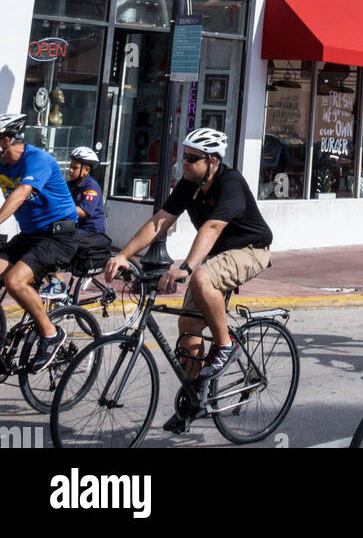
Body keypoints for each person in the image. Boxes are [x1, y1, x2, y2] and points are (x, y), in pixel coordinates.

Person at [105, 126, 272, 435]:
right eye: (184, 157)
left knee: (201, 277)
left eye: (192, 158)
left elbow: (211, 228)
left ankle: (226, 343)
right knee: (189, 327)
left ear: (211, 161)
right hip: (219, 255)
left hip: (249, 250)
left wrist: (186, 266)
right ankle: (193, 400)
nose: (185, 163)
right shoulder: (190, 184)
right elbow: (160, 221)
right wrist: (124, 254)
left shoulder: (230, 182)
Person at [0, 113, 80, 371]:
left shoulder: (38, 159)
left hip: (58, 237)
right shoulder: (2, 164)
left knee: (14, 280)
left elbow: (22, 193)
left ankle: (50, 334)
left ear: (5, 140)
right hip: (30, 236)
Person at [67, 146, 106, 235]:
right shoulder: (70, 184)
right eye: (70, 166)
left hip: (91, 232)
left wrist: (59, 207)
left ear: (86, 170)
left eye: (75, 168)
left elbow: (82, 212)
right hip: (74, 227)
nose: (70, 170)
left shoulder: (91, 187)